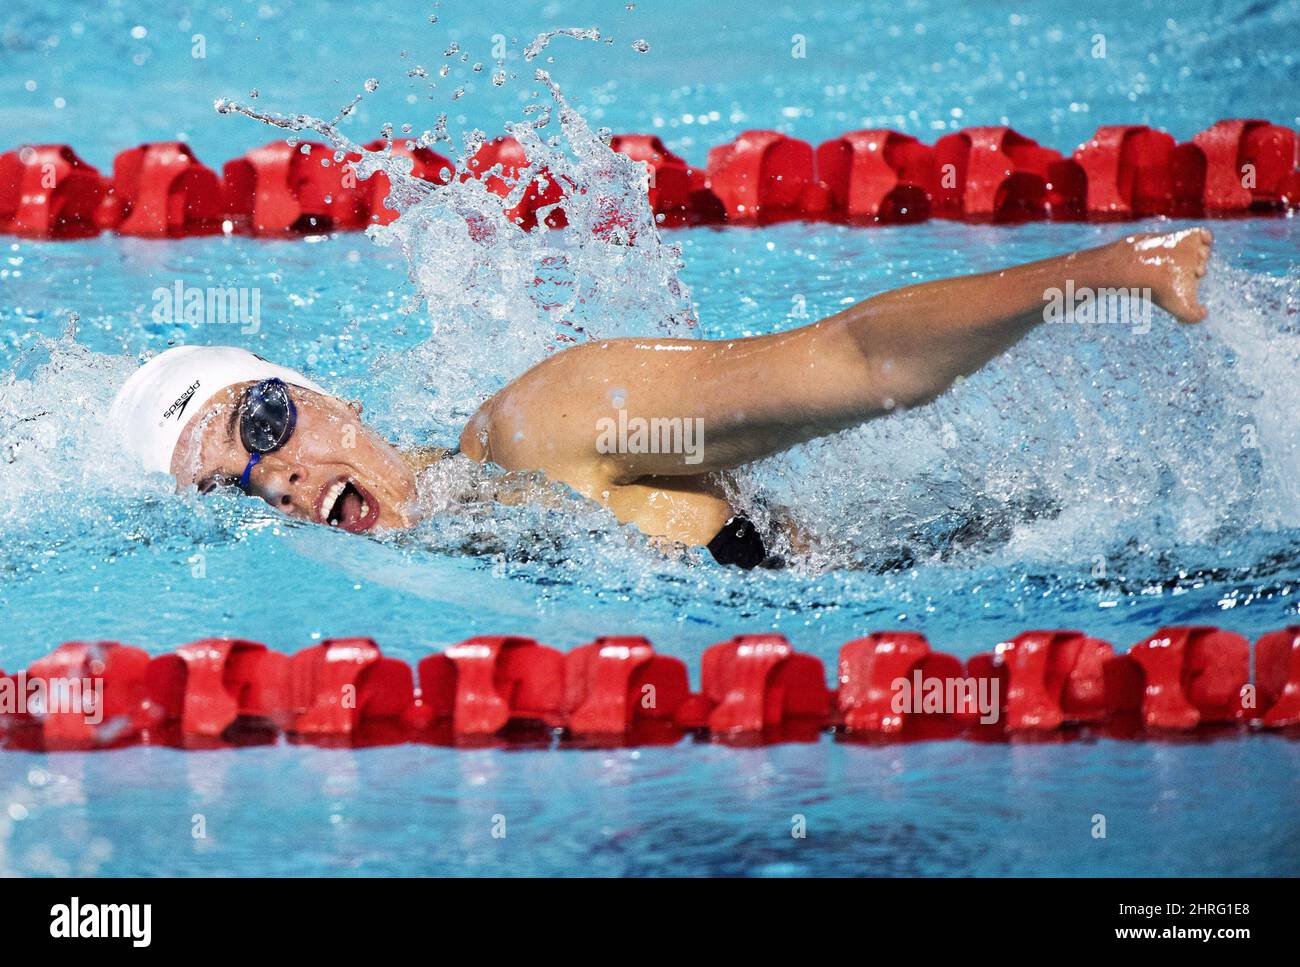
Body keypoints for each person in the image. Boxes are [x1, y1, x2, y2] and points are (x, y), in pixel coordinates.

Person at [109, 227, 1213, 568]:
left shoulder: (539, 428)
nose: (282, 474)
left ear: (326, 396)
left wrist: (1106, 272)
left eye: (263, 423)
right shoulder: (447, 563)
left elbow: (855, 362)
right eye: (236, 485)